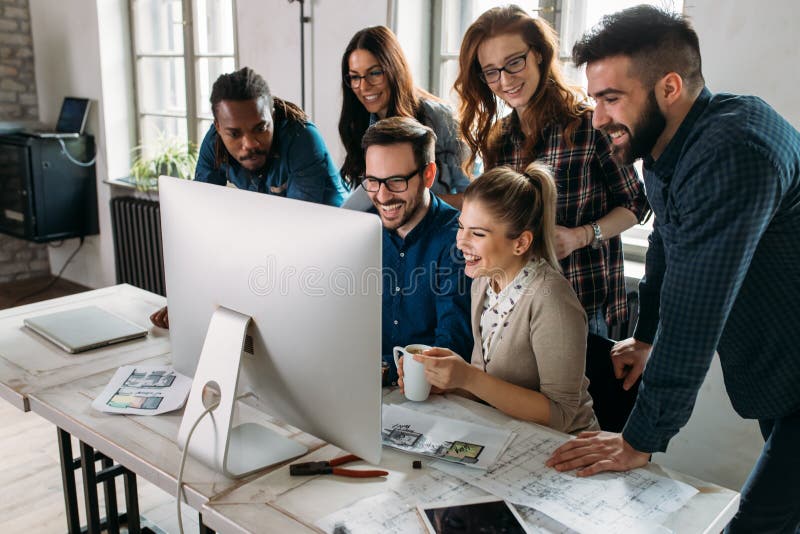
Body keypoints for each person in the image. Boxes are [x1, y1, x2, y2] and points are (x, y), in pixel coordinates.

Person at [546, 6, 800, 533]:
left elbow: (696, 310)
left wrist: (640, 439)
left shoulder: (734, 151)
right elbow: (667, 236)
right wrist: (644, 335)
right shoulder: (671, 144)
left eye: (611, 98)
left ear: (669, 87)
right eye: (595, 99)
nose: (597, 118)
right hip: (784, 364)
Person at [454, 5, 649, 336]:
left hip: (585, 306)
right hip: (518, 309)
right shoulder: (499, 140)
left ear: (540, 55)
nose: (505, 80)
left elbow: (636, 205)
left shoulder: (590, 125)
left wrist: (580, 236)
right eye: (491, 71)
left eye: (514, 62)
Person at [399, 162, 598, 434]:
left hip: (566, 444)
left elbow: (561, 415)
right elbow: (488, 384)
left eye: (478, 234)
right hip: (507, 432)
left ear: (521, 243)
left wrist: (468, 377)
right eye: (461, 227)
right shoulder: (483, 281)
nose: (460, 242)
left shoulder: (552, 301)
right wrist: (445, 381)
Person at [150, 67, 347, 328]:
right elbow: (200, 225)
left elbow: (296, 235)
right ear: (218, 127)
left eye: (260, 128)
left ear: (272, 116)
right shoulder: (213, 144)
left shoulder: (302, 139)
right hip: (281, 250)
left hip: (333, 251)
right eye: (234, 133)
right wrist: (185, 299)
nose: (249, 143)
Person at [361, 116, 472, 385]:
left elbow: (451, 347)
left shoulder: (457, 240)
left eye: (396, 181)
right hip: (363, 385)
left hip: (429, 395)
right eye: (373, 181)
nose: (383, 196)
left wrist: (385, 367)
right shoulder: (362, 229)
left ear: (428, 175)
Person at [340, 25, 470, 210]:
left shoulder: (442, 120)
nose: (363, 86)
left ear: (395, 69)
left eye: (375, 73)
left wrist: (418, 202)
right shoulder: (358, 124)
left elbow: (474, 199)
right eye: (355, 77)